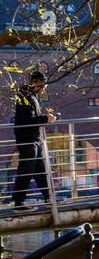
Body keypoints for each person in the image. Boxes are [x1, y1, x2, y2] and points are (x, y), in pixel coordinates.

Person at [10, 71, 55, 209]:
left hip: (34, 139)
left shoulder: (32, 96)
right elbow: (27, 120)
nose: (44, 87)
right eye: (43, 84)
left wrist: (44, 117)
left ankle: (49, 198)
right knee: (26, 170)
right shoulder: (25, 96)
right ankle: (19, 203)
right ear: (35, 82)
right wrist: (45, 119)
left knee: (40, 169)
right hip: (27, 139)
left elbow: (31, 117)